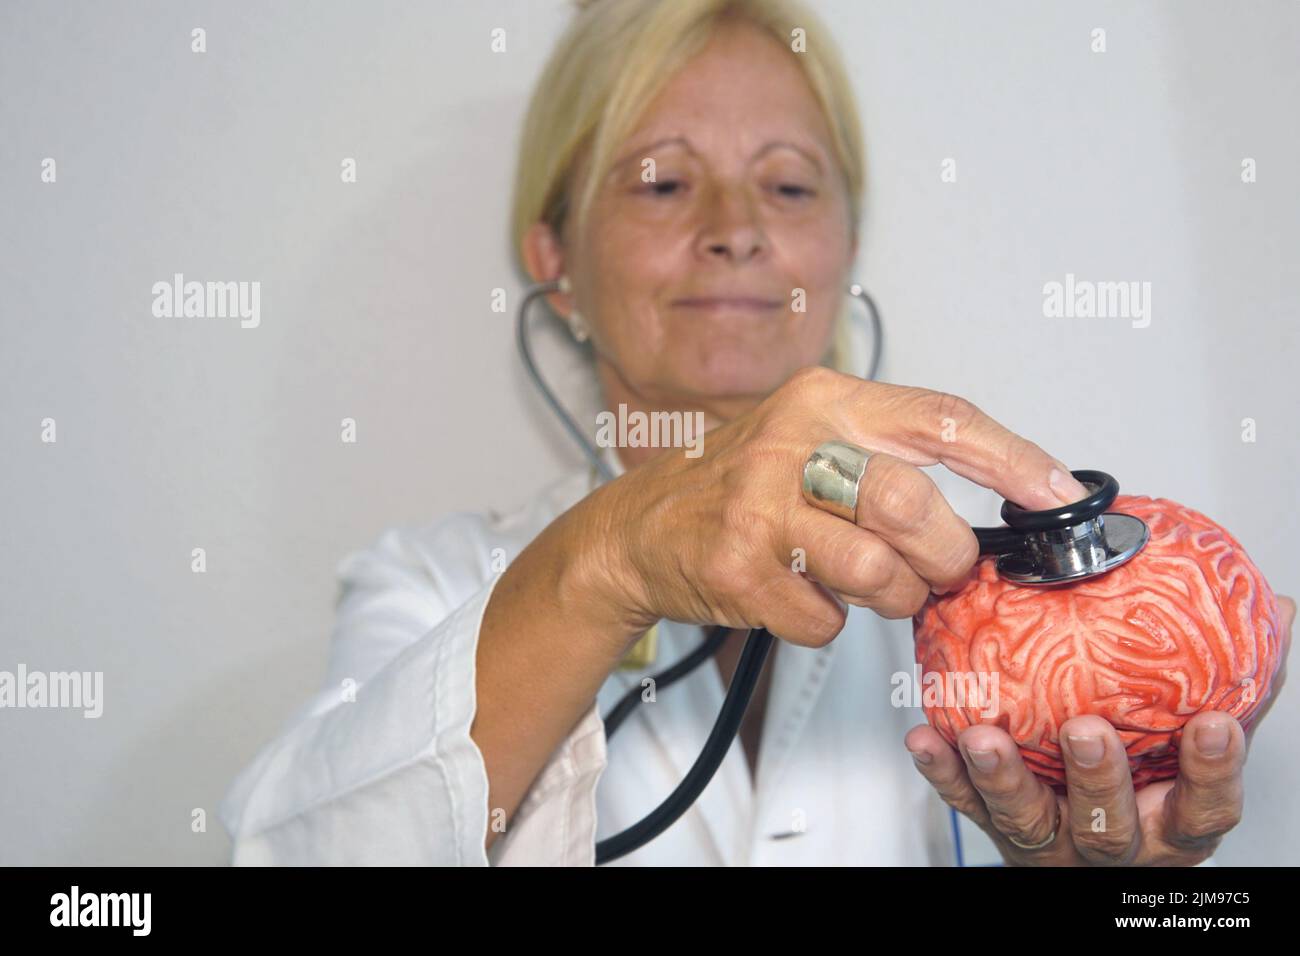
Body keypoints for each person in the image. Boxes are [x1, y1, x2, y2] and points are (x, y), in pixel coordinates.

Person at [218, 0, 1294, 866]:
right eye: (662, 181)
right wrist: (606, 559)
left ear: (844, 249)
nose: (734, 229)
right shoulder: (430, 583)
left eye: (787, 184)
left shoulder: (985, 615)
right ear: (554, 257)